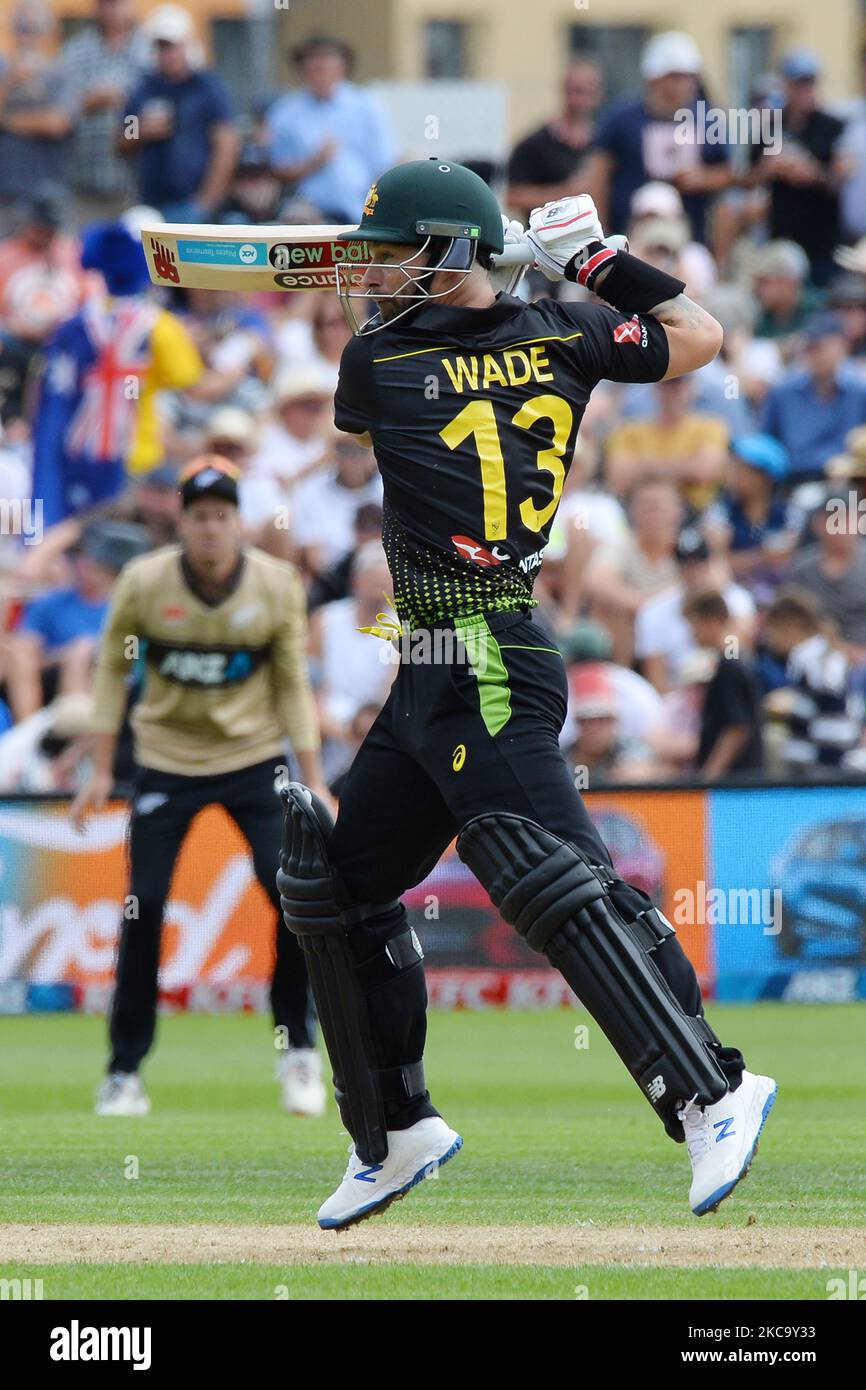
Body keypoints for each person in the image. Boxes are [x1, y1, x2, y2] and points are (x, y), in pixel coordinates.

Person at [274, 159, 776, 1230]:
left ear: (452, 249)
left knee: (558, 881)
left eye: (396, 253)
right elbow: (697, 335)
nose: (376, 274)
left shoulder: (377, 361)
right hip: (430, 668)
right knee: (337, 888)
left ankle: (712, 1089)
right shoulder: (564, 331)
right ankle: (394, 1130)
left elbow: (358, 415)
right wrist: (592, 261)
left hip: (491, 653)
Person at [71, 456, 331, 1119]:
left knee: (291, 895)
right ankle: (124, 1072)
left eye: (221, 516)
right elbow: (110, 670)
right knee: (145, 906)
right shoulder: (144, 581)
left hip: (253, 758)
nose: (211, 528)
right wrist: (99, 768)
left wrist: (316, 779)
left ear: (237, 522)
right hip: (166, 759)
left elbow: (292, 685)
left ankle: (298, 1049)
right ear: (182, 523)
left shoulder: (275, 584)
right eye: (199, 517)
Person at [32, 221, 203, 526]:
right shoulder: (160, 327)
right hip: (137, 455)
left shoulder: (73, 326)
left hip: (78, 453)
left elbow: (47, 387)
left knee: (74, 538)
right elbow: (188, 378)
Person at [580, 31, 731, 243]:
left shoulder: (708, 120)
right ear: (654, 78)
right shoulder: (622, 118)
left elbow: (728, 172)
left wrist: (702, 178)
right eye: (676, 77)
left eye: (689, 76)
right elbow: (598, 176)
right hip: (628, 236)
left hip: (690, 238)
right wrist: (602, 235)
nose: (685, 84)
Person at [119, 5, 238, 223]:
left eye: (172, 46)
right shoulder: (143, 89)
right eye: (161, 46)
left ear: (187, 45)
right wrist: (141, 132)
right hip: (150, 206)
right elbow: (122, 141)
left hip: (191, 205)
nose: (167, 54)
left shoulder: (207, 87)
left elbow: (226, 144)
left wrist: (206, 200)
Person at [266, 34, 395, 224]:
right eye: (314, 68)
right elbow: (277, 170)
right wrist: (314, 163)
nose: (321, 74)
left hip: (360, 208)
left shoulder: (366, 106)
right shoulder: (285, 113)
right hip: (307, 212)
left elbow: (384, 162)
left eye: (326, 67)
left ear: (342, 68)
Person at [751, 51, 847, 287]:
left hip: (821, 239)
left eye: (809, 83)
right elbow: (750, 176)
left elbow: (840, 178)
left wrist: (812, 174)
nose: (805, 90)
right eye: (799, 84)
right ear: (785, 85)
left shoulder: (832, 126)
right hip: (783, 234)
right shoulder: (770, 126)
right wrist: (770, 168)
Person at [61, 0, 149, 223]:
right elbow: (62, 111)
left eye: (118, 3)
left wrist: (130, 129)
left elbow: (139, 109)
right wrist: (92, 101)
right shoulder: (76, 50)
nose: (112, 10)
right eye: (106, 4)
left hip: (134, 185)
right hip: (84, 181)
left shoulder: (148, 49)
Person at [760, 311, 866, 481]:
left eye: (819, 347)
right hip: (793, 482)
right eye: (808, 348)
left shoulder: (859, 392)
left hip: (850, 482)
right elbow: (768, 446)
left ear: (841, 346)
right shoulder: (783, 392)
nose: (813, 355)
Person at [505, 59, 603, 223]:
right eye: (575, 91)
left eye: (587, 92)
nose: (579, 99)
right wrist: (567, 194)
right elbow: (513, 197)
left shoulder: (603, 144)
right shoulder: (533, 145)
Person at [681, 588, 765, 778]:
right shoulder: (735, 656)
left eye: (695, 625)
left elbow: (737, 727)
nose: (693, 634)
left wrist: (710, 775)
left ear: (713, 620)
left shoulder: (729, 666)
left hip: (734, 782)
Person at [0, 3, 75, 211]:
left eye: (32, 29)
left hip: (49, 190)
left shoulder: (61, 72)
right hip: (6, 190)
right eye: (21, 29)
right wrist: (9, 81)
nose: (26, 37)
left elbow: (56, 124)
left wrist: (6, 121)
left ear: (47, 34)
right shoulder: (3, 69)